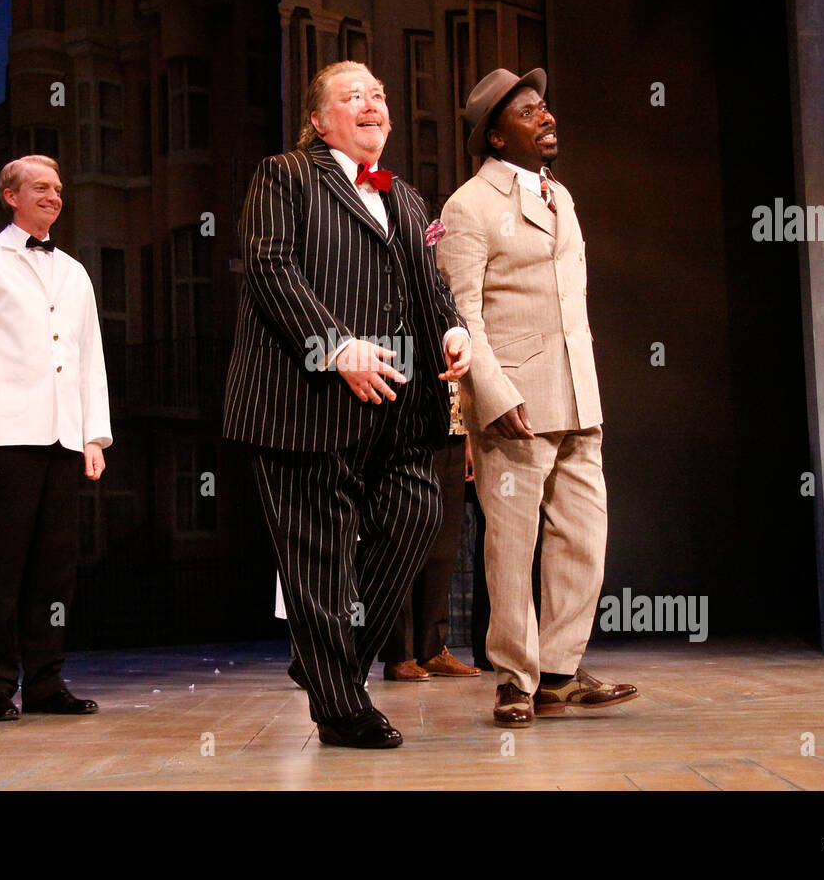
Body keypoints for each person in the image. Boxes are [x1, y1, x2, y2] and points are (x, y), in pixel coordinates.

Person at [224, 61, 471, 748]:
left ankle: (325, 663)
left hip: (396, 407)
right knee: (318, 557)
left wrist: (453, 330)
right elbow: (270, 267)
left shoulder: (406, 196)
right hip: (301, 402)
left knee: (417, 513)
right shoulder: (286, 174)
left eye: (379, 95)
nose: (371, 104)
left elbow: (431, 287)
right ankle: (340, 707)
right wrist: (334, 346)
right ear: (318, 118)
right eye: (351, 95)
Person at [436, 69, 637, 728]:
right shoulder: (468, 205)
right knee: (511, 547)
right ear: (497, 134)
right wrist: (491, 394)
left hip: (578, 396)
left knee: (582, 537)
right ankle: (514, 678)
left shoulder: (562, 197)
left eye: (545, 106)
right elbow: (462, 314)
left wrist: (586, 389)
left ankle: (558, 671)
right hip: (514, 401)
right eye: (528, 111)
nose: (545, 116)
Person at [0, 155, 110, 723]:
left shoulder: (74, 271)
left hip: (63, 437)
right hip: (7, 436)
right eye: (41, 187)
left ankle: (46, 681)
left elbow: (90, 357)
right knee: (0, 568)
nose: (54, 196)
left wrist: (94, 436)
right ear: (10, 195)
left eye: (59, 188)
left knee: (55, 570)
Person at [379, 380, 479, 681]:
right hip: (407, 432)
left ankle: (433, 649)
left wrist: (468, 437)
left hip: (452, 430)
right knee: (403, 543)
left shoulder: (460, 332)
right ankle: (399, 654)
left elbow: (462, 383)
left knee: (444, 546)